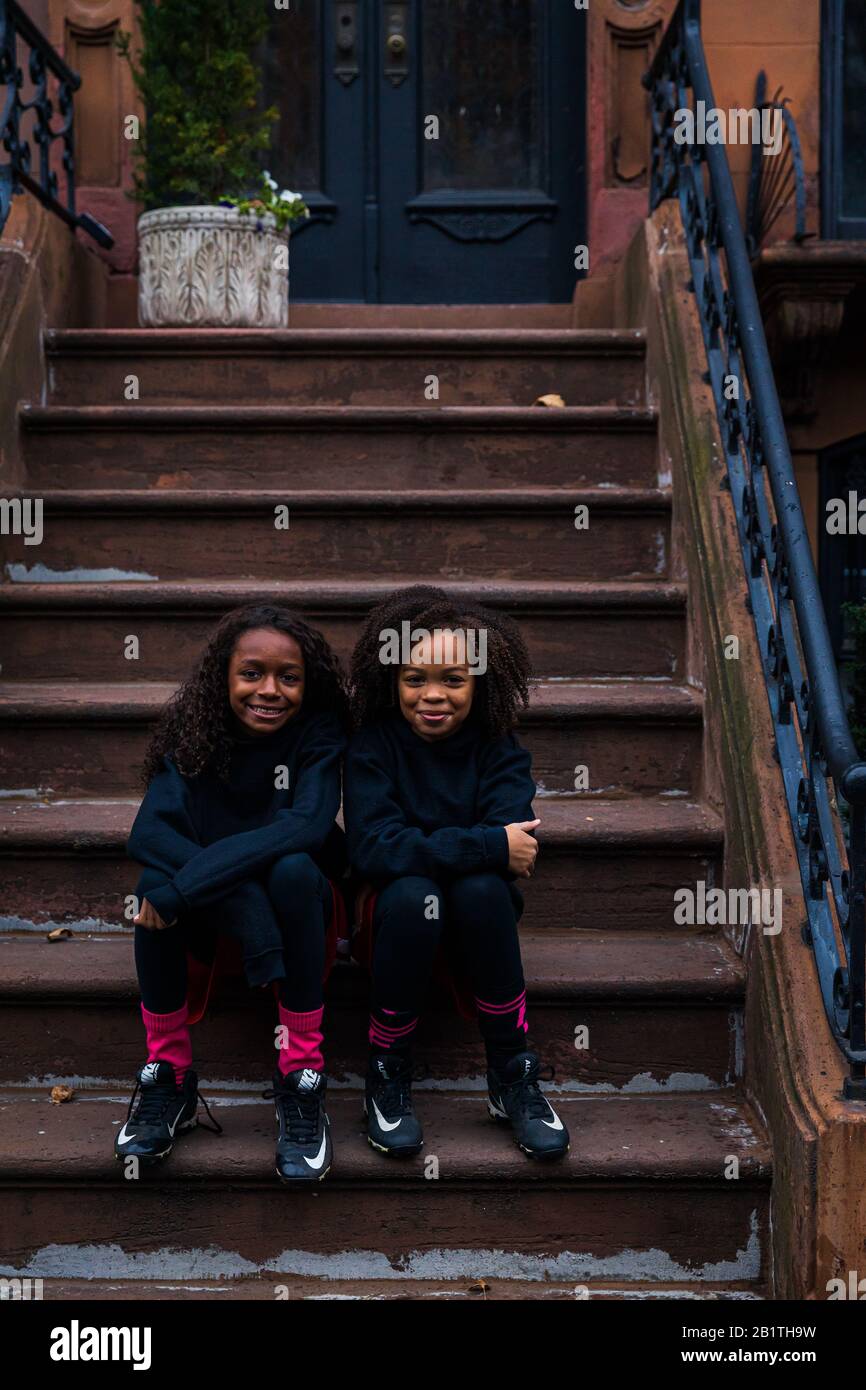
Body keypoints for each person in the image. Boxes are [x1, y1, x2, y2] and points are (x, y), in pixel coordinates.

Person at [119, 603, 348, 1184]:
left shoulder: (317, 735)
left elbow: (307, 827)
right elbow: (149, 833)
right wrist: (238, 898)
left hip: (299, 922)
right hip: (223, 927)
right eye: (251, 674)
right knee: (151, 884)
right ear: (223, 678)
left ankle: (301, 1076)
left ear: (308, 682)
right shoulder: (196, 737)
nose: (269, 691)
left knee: (294, 868)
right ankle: (168, 1073)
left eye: (288, 677)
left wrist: (193, 886)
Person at [344, 586, 569, 1161]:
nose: (432, 696)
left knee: (480, 890)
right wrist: (489, 843)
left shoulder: (499, 749)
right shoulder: (372, 748)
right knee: (416, 892)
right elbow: (373, 848)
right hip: (391, 918)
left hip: (475, 916)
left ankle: (510, 1073)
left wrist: (474, 851)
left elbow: (515, 842)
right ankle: (387, 1072)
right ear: (391, 681)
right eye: (414, 679)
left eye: (454, 680)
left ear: (480, 684)